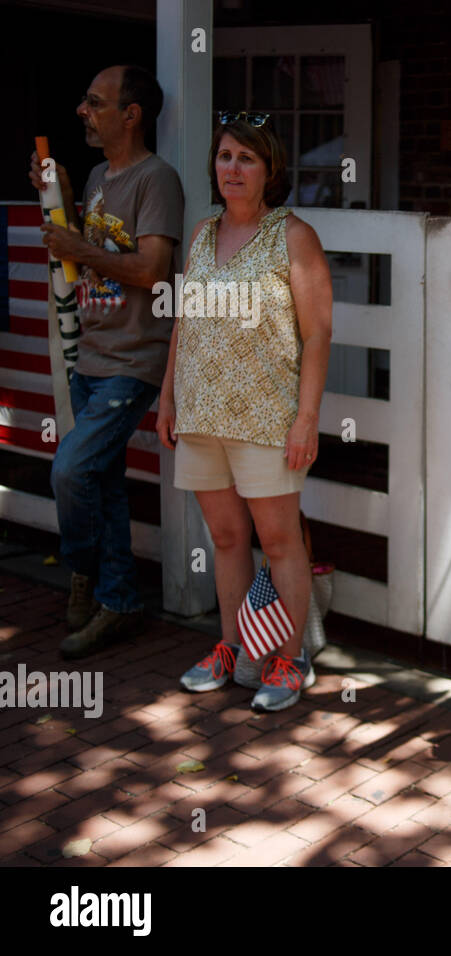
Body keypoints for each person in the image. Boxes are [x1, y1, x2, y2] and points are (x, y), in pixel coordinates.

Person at [163, 114, 333, 712]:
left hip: (266, 417)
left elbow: (317, 335)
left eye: (246, 159)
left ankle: (290, 659)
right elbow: (185, 320)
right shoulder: (204, 232)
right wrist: (168, 398)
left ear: (270, 171)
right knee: (228, 537)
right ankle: (232, 647)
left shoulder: (293, 235)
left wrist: (306, 417)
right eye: (225, 156)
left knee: (280, 540)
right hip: (202, 412)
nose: (231, 168)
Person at [28, 65, 184, 659]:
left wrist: (78, 245)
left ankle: (83, 573)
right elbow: (87, 252)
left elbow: (149, 270)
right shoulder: (96, 175)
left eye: (95, 102)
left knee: (70, 471)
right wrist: (61, 199)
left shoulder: (157, 179)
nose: (82, 111)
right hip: (91, 349)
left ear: (131, 114)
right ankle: (119, 600)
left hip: (134, 357)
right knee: (104, 483)